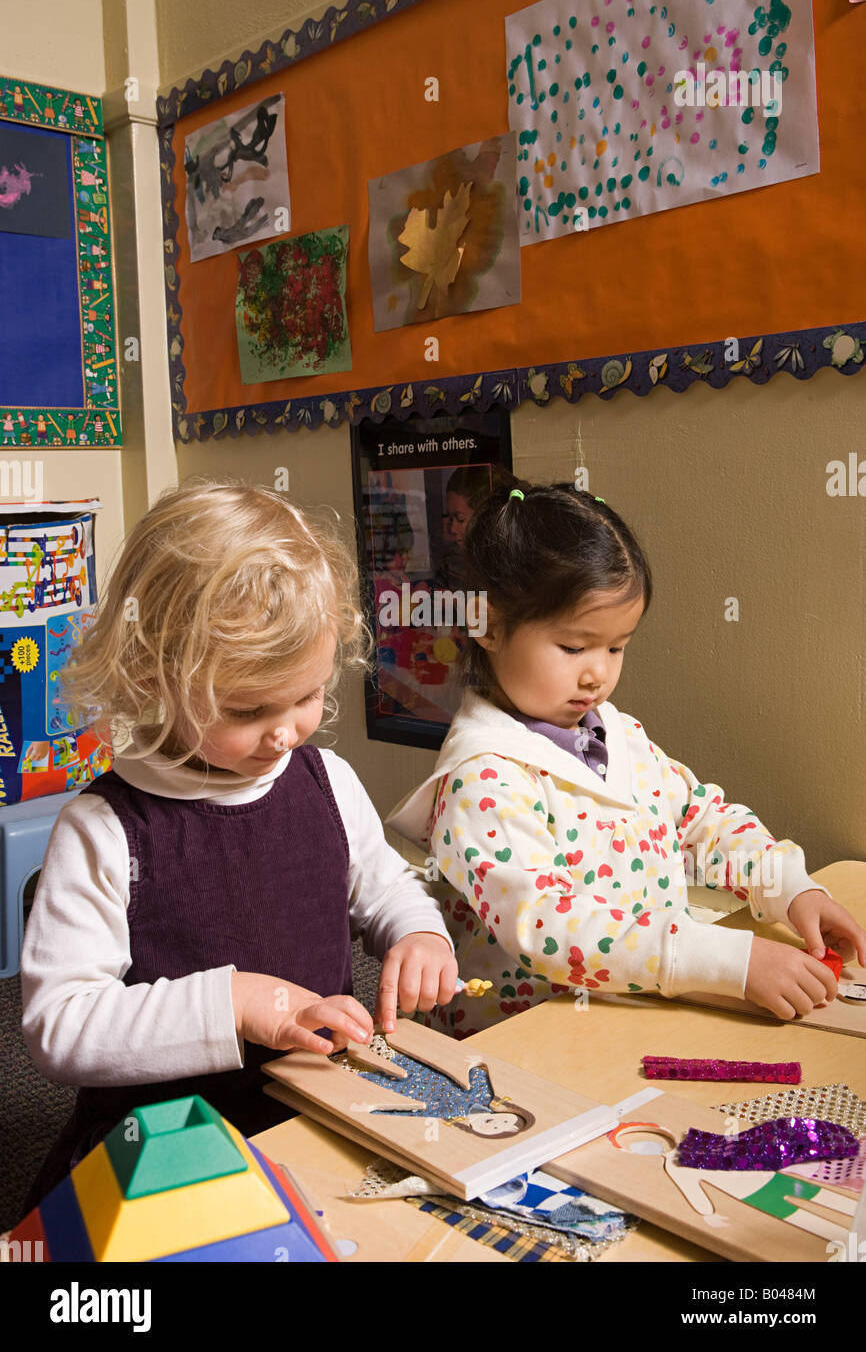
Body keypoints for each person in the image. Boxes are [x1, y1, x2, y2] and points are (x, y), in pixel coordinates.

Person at [20, 479, 457, 1208]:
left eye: (309, 695)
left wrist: (417, 932)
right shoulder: (101, 832)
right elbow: (59, 1026)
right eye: (248, 709)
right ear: (152, 675)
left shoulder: (326, 781)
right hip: (160, 1158)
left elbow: (384, 885)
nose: (286, 731)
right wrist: (232, 1003)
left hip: (319, 1118)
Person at [388, 483, 866, 1038]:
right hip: (525, 1040)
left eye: (616, 647)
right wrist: (725, 960)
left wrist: (788, 888)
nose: (598, 673)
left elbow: (701, 821)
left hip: (636, 1009)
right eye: (574, 647)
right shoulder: (482, 777)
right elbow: (550, 924)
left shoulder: (621, 735)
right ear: (489, 626)